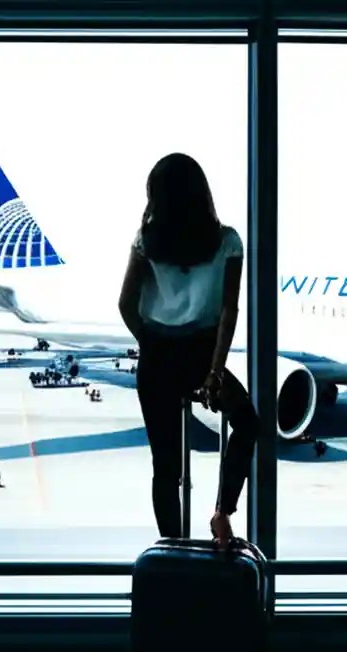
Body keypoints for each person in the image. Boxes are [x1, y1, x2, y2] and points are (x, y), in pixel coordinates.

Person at [118, 152, 257, 547]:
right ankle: (222, 512)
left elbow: (126, 305)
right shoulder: (228, 242)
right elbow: (229, 311)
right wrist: (214, 371)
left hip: (158, 356)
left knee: (165, 468)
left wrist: (152, 343)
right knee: (246, 423)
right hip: (200, 356)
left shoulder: (146, 241)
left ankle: (172, 548)